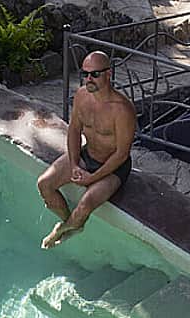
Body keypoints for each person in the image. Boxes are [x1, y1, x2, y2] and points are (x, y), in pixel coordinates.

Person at [37, 51, 137, 250]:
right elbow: (74, 129)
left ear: (108, 74)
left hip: (114, 167)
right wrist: (74, 163)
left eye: (95, 74)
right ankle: (72, 223)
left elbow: (121, 154)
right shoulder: (82, 96)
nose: (89, 79)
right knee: (44, 184)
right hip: (87, 155)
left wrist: (91, 179)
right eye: (85, 74)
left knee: (85, 204)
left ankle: (63, 228)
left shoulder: (122, 109)